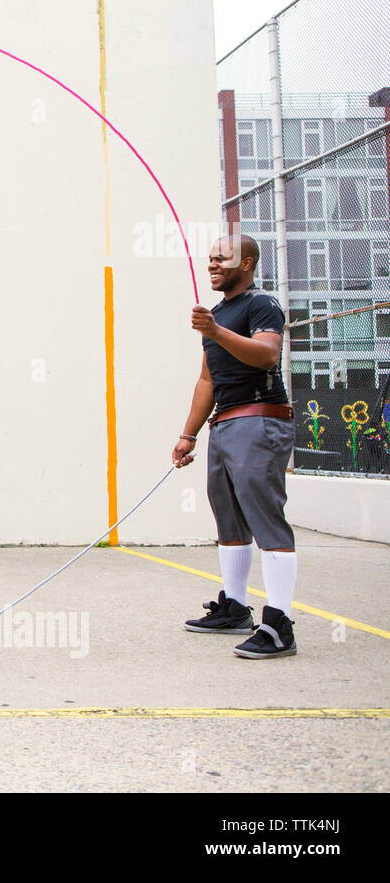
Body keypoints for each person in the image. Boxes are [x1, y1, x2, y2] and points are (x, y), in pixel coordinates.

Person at [173, 233, 298, 659]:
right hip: (224, 425)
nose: (212, 265)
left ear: (246, 264)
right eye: (209, 259)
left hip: (260, 420)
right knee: (228, 522)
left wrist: (216, 330)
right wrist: (188, 434)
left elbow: (266, 355)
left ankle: (279, 625)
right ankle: (234, 607)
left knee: (267, 521)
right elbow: (207, 380)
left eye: (221, 259)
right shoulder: (219, 315)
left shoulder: (261, 304)